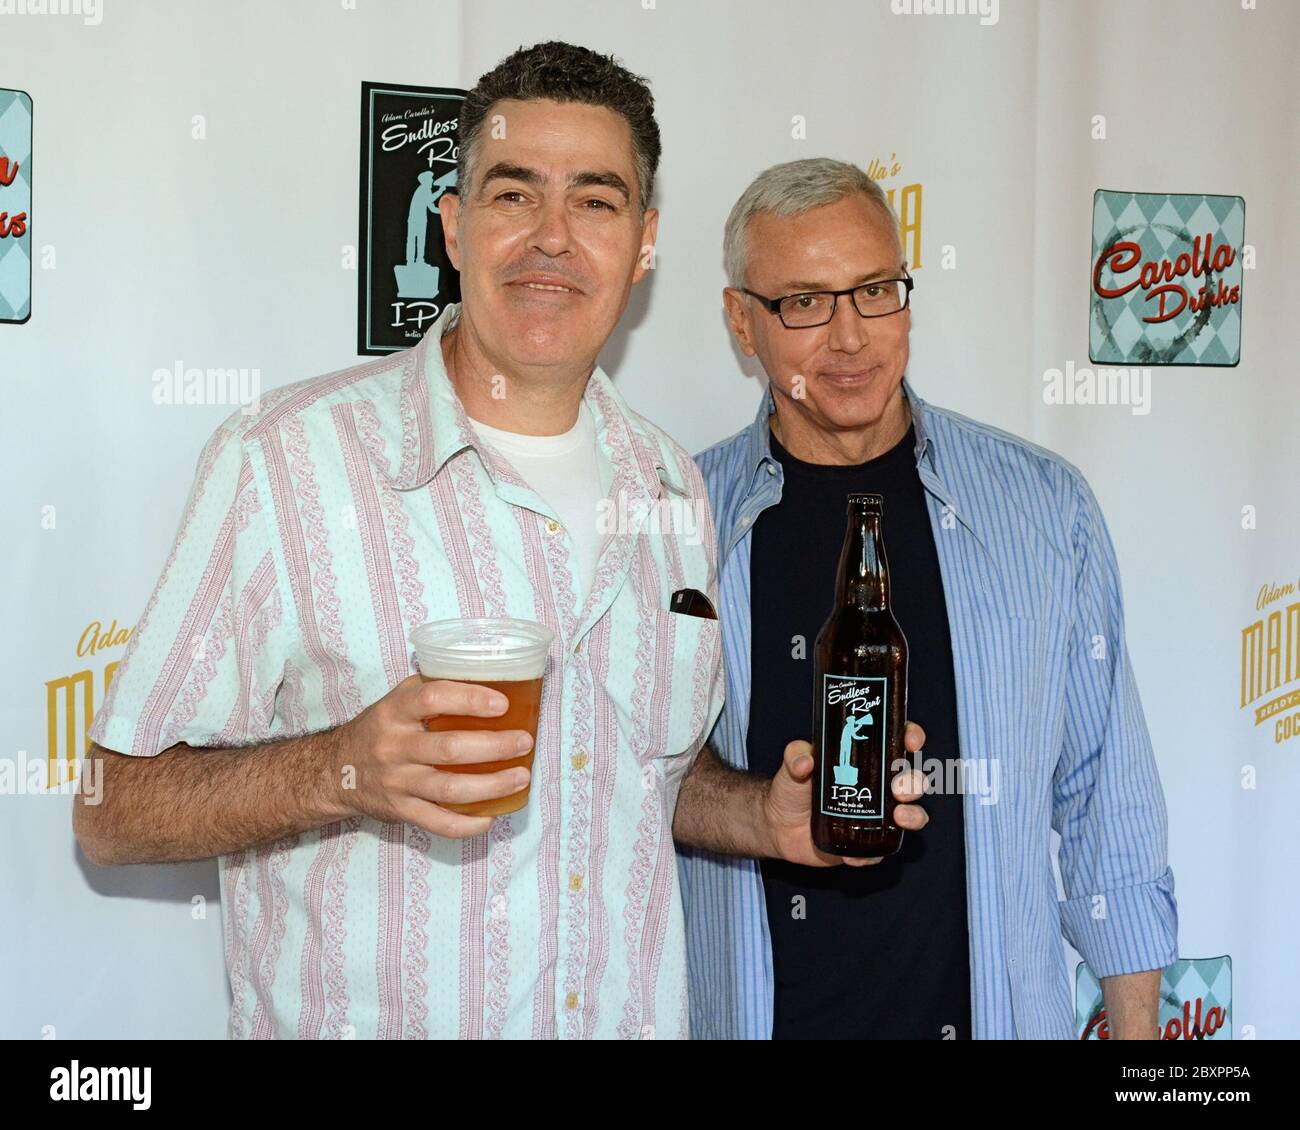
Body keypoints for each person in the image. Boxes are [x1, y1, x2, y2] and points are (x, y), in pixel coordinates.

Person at [75, 40, 727, 1041]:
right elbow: (110, 809)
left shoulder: (674, 483)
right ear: (454, 226)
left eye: (595, 201)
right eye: (514, 195)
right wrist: (342, 766)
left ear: (643, 243)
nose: (551, 237)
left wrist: (765, 811)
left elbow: (638, 785)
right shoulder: (286, 460)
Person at [675, 157, 1178, 1039]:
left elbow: (1107, 804)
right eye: (804, 302)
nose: (850, 338)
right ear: (740, 323)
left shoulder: (1042, 507)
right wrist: (756, 811)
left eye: (874, 291)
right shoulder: (676, 520)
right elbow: (631, 782)